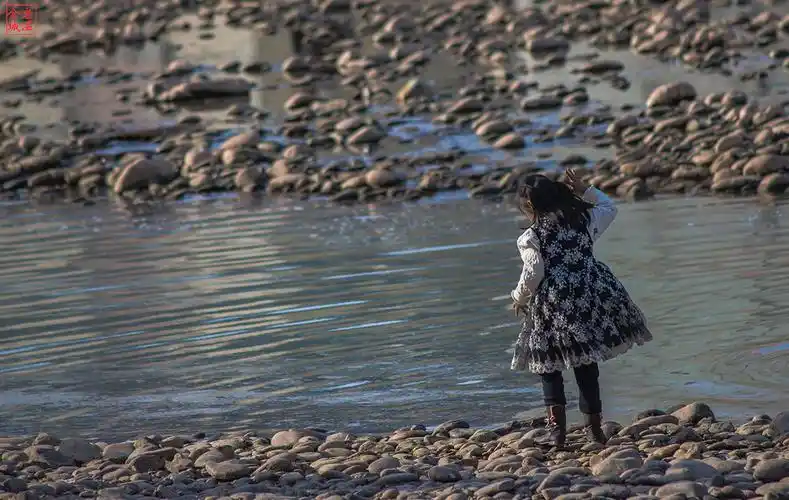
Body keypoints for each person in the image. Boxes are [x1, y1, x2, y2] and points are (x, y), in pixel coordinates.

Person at [509, 170, 652, 447]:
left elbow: (534, 271)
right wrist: (587, 189)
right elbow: (609, 207)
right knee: (587, 364)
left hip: (553, 305)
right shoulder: (583, 220)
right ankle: (594, 430)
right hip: (589, 296)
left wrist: (519, 297)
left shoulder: (530, 236)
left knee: (548, 367)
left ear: (529, 206)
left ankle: (557, 432)